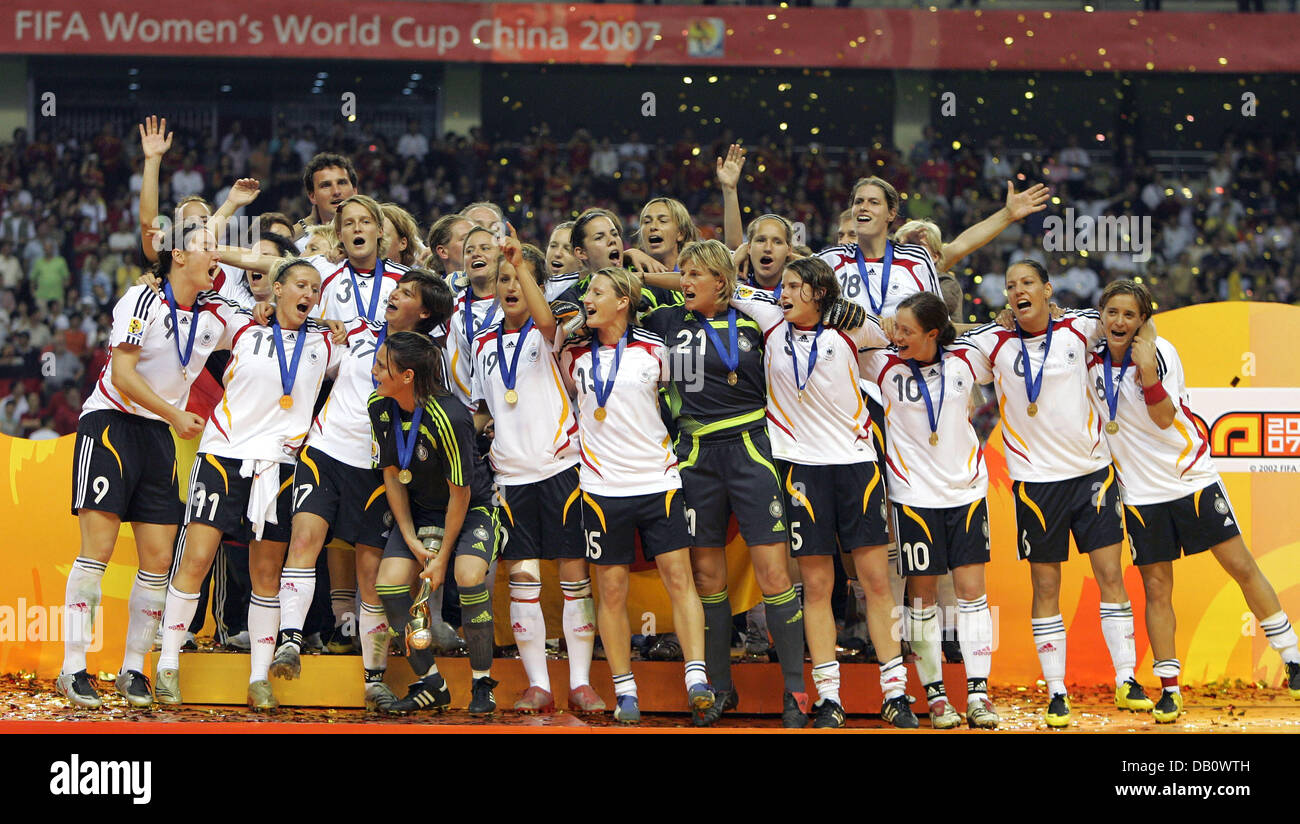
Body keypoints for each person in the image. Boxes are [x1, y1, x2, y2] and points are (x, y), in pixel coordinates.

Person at [1086, 280, 1300, 721]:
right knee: (1157, 588)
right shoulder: (1091, 356)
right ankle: (1169, 687)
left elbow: (1164, 418)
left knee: (1242, 566)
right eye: (1112, 313)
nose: (1119, 321)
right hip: (1142, 495)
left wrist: (1146, 369)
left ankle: (1293, 659)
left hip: (1192, 481)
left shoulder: (1162, 353)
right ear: (1101, 315)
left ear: (1143, 320)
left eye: (1130, 314)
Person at [957, 261, 1151, 727]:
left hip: (1091, 475)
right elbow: (941, 335)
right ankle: (1057, 691)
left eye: (1027, 283)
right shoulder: (993, 341)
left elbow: (1139, 318)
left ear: (1047, 290)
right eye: (1010, 286)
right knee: (1046, 585)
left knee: (1110, 574)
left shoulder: (1082, 327)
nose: (1017, 291)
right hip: (1034, 483)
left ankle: (1126, 678)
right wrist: (985, 322)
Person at [56, 222, 240, 709]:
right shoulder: (141, 300)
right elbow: (122, 374)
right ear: (177, 255)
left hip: (158, 436)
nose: (216, 254)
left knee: (158, 560)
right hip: (112, 425)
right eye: (205, 247)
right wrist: (176, 413)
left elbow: (270, 308)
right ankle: (73, 666)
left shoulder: (216, 315)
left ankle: (133, 667)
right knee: (97, 548)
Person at [729, 257, 918, 728]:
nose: (784, 292)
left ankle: (895, 693)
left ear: (819, 293)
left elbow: (896, 332)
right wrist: (647, 274)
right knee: (815, 586)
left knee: (875, 583)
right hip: (802, 471)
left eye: (795, 286)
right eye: (783, 286)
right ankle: (828, 696)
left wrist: (860, 313)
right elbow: (720, 281)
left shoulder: (853, 327)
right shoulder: (771, 318)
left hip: (858, 467)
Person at [154, 258, 343, 710]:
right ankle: (166, 665)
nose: (310, 294)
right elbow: (189, 297)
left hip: (279, 465)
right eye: (300, 285)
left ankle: (260, 677)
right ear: (275, 289)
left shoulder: (326, 342)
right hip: (222, 454)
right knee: (197, 559)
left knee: (265, 574)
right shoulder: (239, 325)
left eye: (316, 289)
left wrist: (333, 324)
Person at [269, 270, 454, 713]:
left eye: (407, 294)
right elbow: (312, 353)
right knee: (305, 539)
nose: (394, 294)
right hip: (327, 451)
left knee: (371, 574)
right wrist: (269, 310)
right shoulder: (357, 329)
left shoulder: (431, 358)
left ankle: (373, 679)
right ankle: (288, 644)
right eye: (397, 288)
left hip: (379, 469)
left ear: (424, 312)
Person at [642, 239, 808, 727]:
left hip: (752, 449)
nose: (685, 281)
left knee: (775, 575)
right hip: (694, 457)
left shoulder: (758, 317)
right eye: (682, 274)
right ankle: (719, 689)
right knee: (707, 580)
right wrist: (635, 267)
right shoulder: (666, 321)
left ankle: (796, 691)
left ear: (722, 280)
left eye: (695, 274)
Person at [559, 266, 713, 723]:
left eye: (598, 292)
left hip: (658, 483)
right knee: (610, 591)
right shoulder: (573, 354)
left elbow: (697, 395)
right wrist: (570, 319)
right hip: (601, 488)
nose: (589, 298)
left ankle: (697, 680)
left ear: (623, 301)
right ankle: (626, 691)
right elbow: (547, 322)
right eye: (587, 291)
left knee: (680, 581)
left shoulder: (658, 350)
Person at [470, 238, 603, 713]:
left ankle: (582, 681)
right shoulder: (482, 345)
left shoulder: (555, 330)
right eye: (503, 280)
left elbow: (545, 319)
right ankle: (539, 684)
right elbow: (484, 409)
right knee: (523, 578)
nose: (511, 287)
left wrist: (520, 265)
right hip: (511, 476)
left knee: (573, 575)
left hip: (560, 469)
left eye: (519, 280)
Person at [860, 292, 1001, 729]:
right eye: (894, 328)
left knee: (972, 593)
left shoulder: (966, 359)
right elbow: (843, 328)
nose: (896, 336)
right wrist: (875, 323)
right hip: (913, 495)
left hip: (966, 491)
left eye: (906, 330)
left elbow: (1010, 336)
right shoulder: (881, 362)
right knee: (920, 596)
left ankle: (978, 694)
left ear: (933, 334)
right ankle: (936, 697)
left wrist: (1013, 314)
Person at [369, 331, 501, 715]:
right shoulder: (379, 405)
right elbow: (392, 475)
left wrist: (440, 557)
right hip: (422, 510)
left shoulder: (450, 416)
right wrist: (410, 539)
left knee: (469, 576)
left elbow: (460, 494)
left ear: (407, 376)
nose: (374, 371)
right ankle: (432, 684)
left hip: (473, 506)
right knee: (389, 585)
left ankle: (482, 683)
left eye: (382, 365)